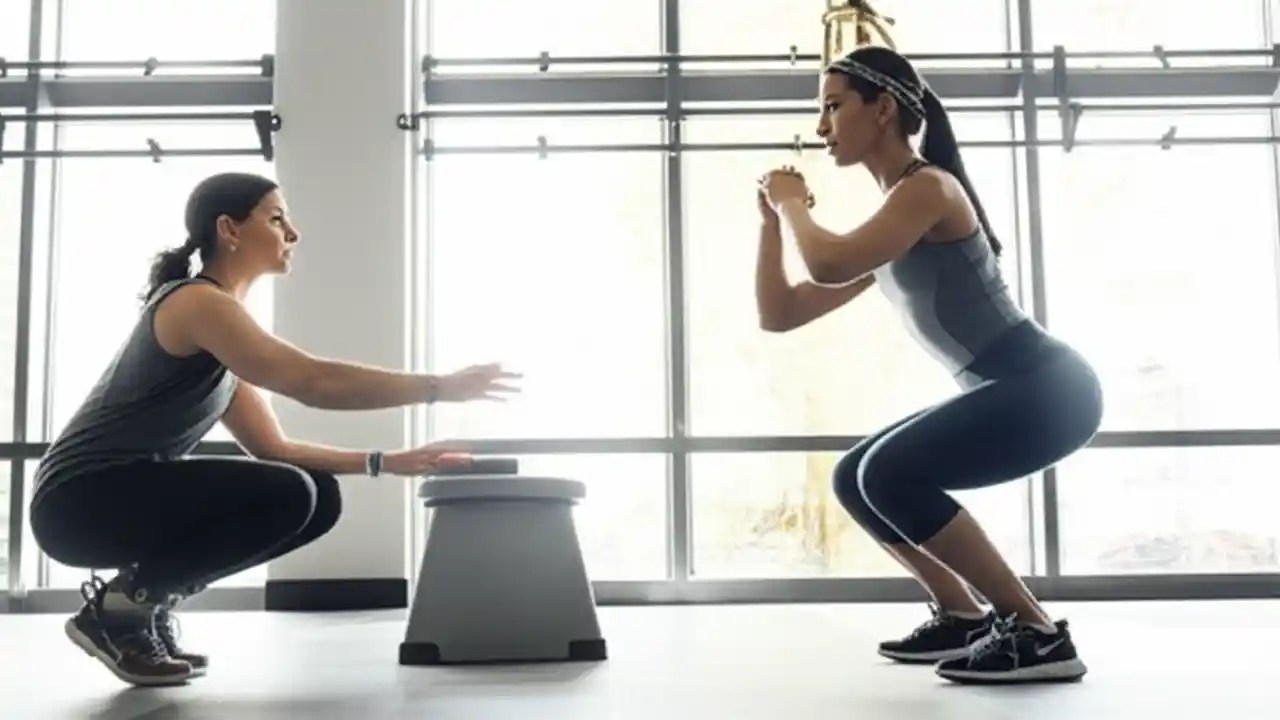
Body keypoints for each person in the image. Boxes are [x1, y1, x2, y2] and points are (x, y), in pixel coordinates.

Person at [29, 172, 520, 688]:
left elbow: (274, 448)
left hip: (108, 499)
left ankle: (138, 607)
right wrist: (439, 386)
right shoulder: (197, 303)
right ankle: (123, 610)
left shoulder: (222, 339)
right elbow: (312, 381)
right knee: (290, 491)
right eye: (277, 218)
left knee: (319, 495)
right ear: (230, 229)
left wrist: (389, 461)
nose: (294, 233)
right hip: (77, 502)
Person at [755, 46, 1103, 684]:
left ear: (882, 110)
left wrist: (790, 205)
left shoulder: (929, 190)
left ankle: (1035, 630)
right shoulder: (895, 218)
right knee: (854, 475)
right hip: (1013, 389)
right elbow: (781, 313)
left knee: (888, 473)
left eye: (833, 107)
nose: (822, 127)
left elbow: (828, 262)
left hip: (1049, 388)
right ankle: (961, 612)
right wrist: (771, 224)